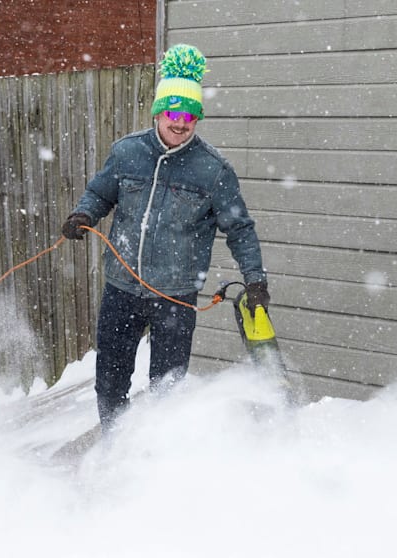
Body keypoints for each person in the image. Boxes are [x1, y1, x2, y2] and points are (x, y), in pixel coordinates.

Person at [60, 44, 270, 429]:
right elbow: (100, 193)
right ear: (159, 112)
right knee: (109, 382)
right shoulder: (127, 153)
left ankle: (157, 467)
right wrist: (84, 213)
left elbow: (240, 229)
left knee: (167, 392)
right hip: (121, 289)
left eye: (190, 115)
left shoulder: (213, 170)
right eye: (173, 112)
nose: (181, 122)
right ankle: (113, 449)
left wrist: (255, 280)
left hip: (175, 296)